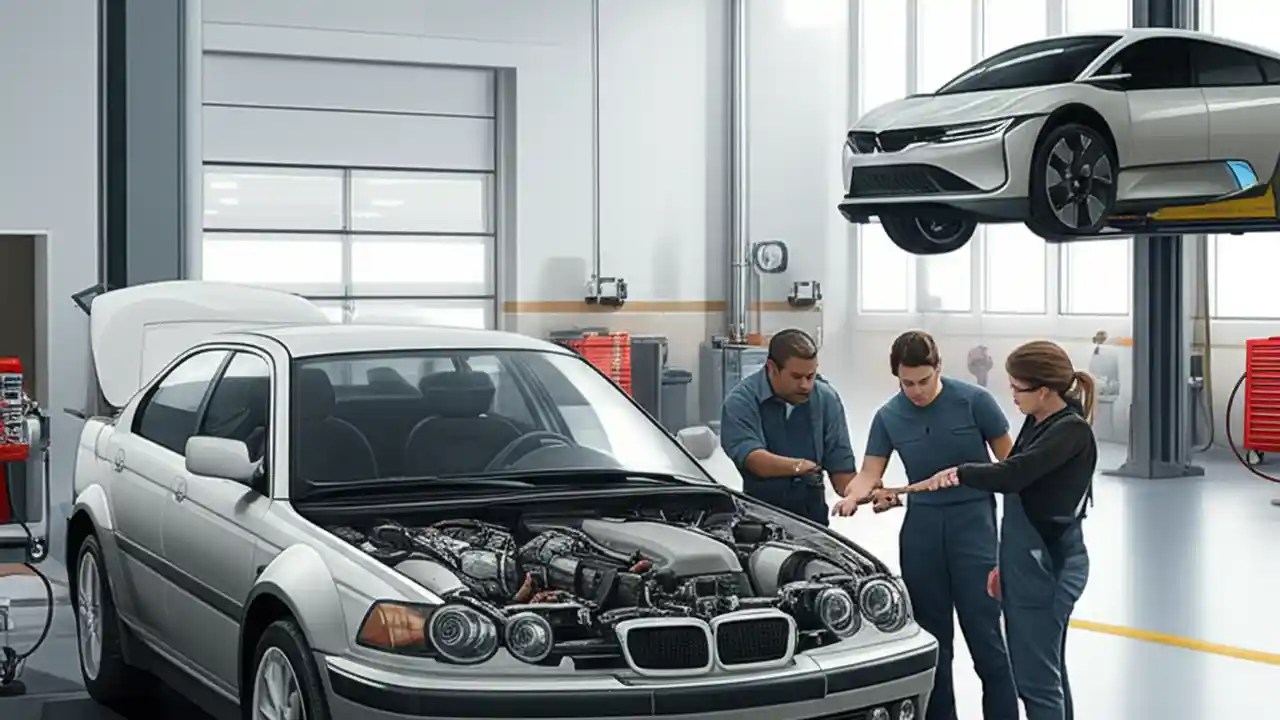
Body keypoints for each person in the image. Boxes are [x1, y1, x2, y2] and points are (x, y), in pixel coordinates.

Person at [832, 330, 1019, 720]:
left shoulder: (975, 402)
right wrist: (853, 496)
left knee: (986, 637)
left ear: (939, 368)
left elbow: (1013, 464)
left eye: (923, 380)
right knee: (933, 641)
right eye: (907, 383)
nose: (916, 391)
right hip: (922, 532)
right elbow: (869, 472)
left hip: (974, 528)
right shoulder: (888, 416)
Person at [907, 340, 1097, 720]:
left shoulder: (1070, 432)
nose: (1012, 394)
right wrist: (1005, 565)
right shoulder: (1039, 421)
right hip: (1026, 565)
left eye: (1018, 387)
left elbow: (1014, 474)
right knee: (1048, 672)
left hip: (1047, 569)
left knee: (1036, 683)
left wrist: (959, 473)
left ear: (1044, 390)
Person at [719, 328, 857, 525]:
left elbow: (842, 474)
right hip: (759, 519)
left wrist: (863, 492)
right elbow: (755, 460)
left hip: (813, 520)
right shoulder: (741, 402)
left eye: (810, 376)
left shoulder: (826, 400)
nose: (805, 385)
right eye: (796, 377)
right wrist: (801, 467)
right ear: (772, 368)